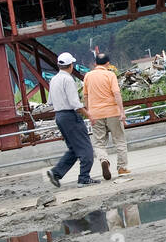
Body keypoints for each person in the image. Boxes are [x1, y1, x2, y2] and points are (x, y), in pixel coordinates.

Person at [46, 52, 99, 187]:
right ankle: (84, 177)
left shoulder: (54, 79)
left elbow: (50, 102)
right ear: (71, 66)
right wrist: (88, 114)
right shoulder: (68, 79)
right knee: (86, 147)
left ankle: (56, 173)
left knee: (74, 149)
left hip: (59, 116)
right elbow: (75, 103)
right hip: (70, 116)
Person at [84, 52, 130, 180]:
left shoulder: (88, 76)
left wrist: (89, 113)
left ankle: (104, 160)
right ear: (108, 63)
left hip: (96, 114)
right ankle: (122, 168)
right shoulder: (110, 75)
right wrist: (122, 111)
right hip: (112, 112)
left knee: (99, 143)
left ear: (95, 64)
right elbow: (116, 93)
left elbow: (86, 96)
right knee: (119, 140)